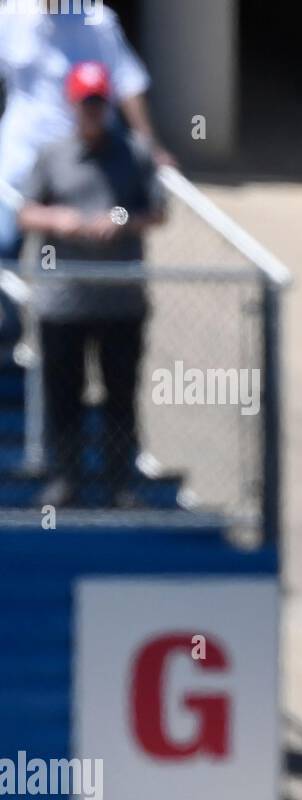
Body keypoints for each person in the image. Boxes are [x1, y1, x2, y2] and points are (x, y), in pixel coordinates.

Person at [17, 60, 165, 508]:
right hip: (63, 301)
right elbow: (26, 211)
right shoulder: (53, 155)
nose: (93, 113)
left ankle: (121, 483)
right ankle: (65, 480)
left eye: (100, 104)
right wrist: (61, 221)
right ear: (72, 104)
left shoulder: (134, 152)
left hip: (120, 301)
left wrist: (116, 220)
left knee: (120, 394)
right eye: (86, 105)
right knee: (64, 393)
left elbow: (155, 211)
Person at [0, 5, 172, 354]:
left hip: (84, 165)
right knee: (4, 247)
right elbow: (29, 215)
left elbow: (153, 212)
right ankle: (9, 339)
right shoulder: (11, 14)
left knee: (93, 252)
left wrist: (150, 146)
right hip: (20, 160)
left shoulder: (97, 19)